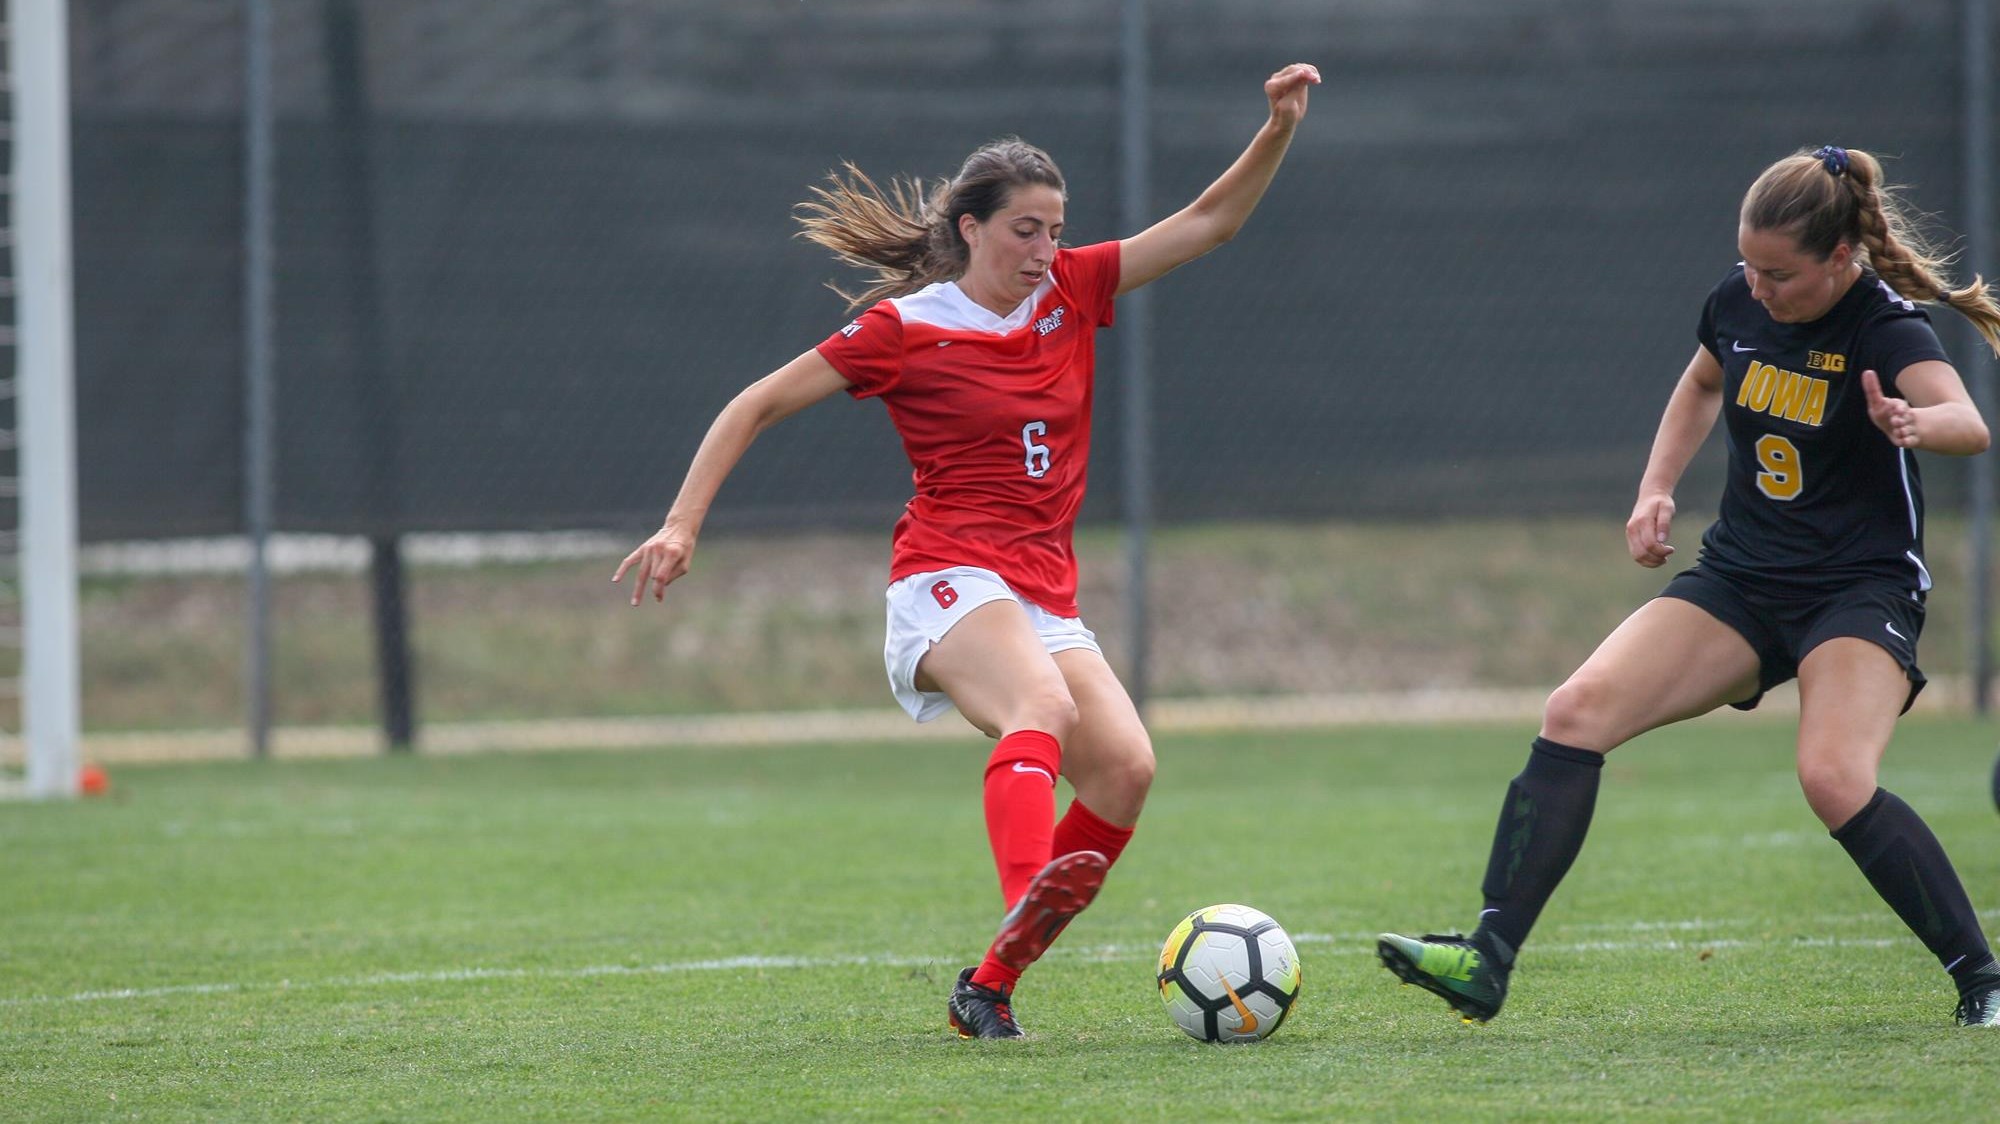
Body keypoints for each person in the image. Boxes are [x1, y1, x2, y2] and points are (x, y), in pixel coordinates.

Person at [615, 63, 1322, 1039]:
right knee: (1044, 706)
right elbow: (755, 403)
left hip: (1040, 591)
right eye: (1025, 229)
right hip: (945, 575)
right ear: (972, 228)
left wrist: (1277, 126)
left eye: (1055, 229)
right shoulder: (905, 329)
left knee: (1125, 769)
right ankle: (1026, 887)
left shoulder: (1071, 289)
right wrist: (681, 522)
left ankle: (985, 987)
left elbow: (1210, 222)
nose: (1045, 249)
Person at [1376, 145, 2000, 1028]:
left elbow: (1968, 423)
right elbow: (1703, 381)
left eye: (1779, 274)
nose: (1759, 288)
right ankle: (1487, 956)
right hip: (1743, 578)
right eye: (1748, 265)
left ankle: (1983, 980)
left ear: (1839, 258)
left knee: (1832, 777)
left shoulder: (1884, 327)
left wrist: (1913, 420)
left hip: (1858, 590)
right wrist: (1655, 488)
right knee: (1575, 711)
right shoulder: (1738, 299)